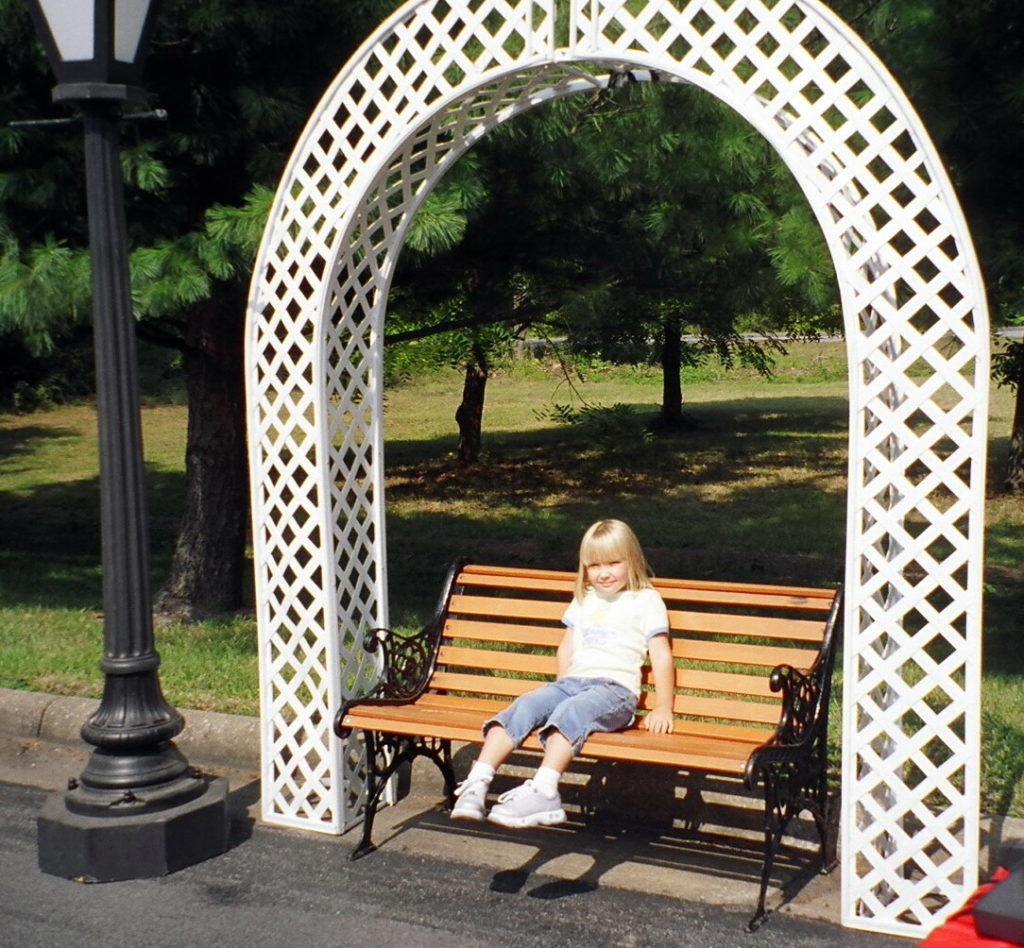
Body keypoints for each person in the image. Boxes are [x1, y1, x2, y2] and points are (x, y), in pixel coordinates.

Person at [450, 518, 676, 828]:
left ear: (632, 560)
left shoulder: (645, 599)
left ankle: (544, 790)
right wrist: (559, 689)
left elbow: (661, 655)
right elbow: (566, 648)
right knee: (526, 705)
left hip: (614, 691)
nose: (604, 573)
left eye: (613, 563)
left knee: (570, 712)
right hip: (572, 684)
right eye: (594, 565)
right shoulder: (585, 598)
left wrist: (663, 707)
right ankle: (477, 783)